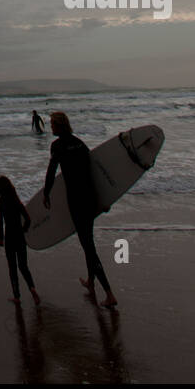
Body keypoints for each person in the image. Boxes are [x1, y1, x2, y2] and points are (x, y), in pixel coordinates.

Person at [43, 111, 117, 308]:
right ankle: (91, 283)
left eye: (52, 124)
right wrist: (103, 200)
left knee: (88, 247)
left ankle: (109, 294)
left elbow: (51, 172)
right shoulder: (79, 143)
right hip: (90, 199)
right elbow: (93, 172)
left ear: (59, 126)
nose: (50, 127)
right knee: (88, 241)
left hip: (76, 201)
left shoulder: (57, 146)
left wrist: (46, 194)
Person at [0, 176, 40, 306]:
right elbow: (28, 219)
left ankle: (17, 296)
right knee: (23, 266)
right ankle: (32, 289)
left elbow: (0, 223)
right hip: (20, 237)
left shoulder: (1, 203)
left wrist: (1, 239)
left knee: (12, 268)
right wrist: (24, 230)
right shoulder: (16, 201)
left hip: (9, 238)